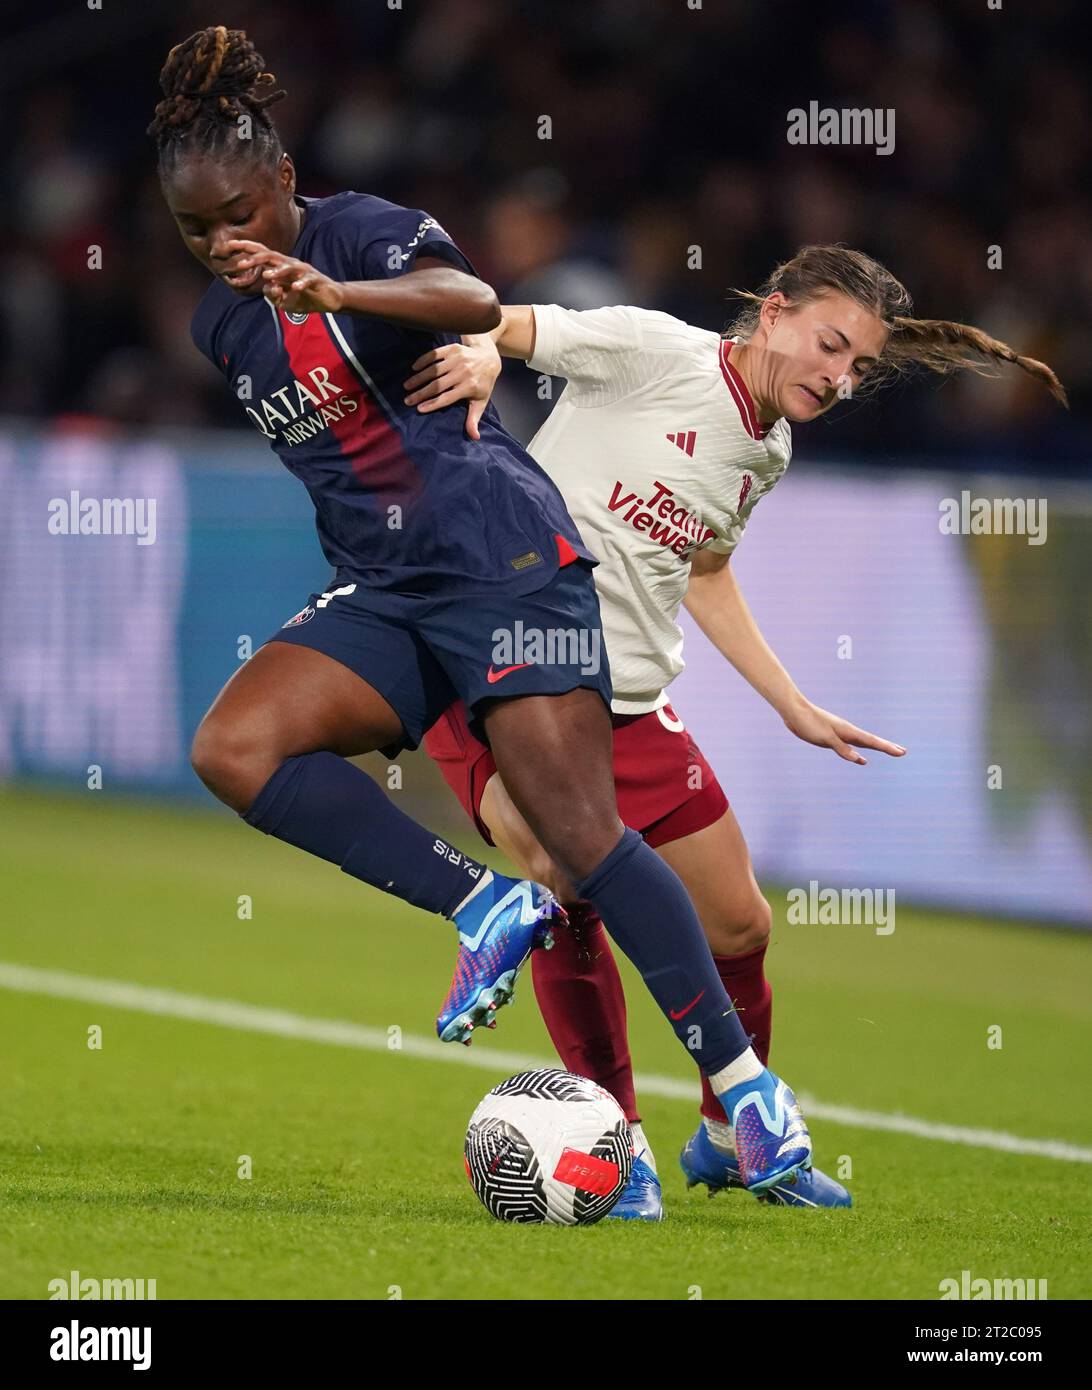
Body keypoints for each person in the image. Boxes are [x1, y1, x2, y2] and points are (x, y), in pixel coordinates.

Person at [148, 24, 815, 1196]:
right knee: (235, 746)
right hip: (389, 587)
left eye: (240, 214)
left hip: (503, 553)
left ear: (285, 185)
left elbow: (468, 296)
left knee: (585, 838)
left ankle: (750, 1096)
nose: (222, 242)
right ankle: (482, 904)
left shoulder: (357, 233)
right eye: (196, 227)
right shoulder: (221, 326)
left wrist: (348, 291)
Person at [406, 246, 1067, 1216]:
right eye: (830, 344)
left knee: (741, 923)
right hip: (500, 671)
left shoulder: (768, 448)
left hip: (627, 701)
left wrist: (789, 700)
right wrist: (488, 353)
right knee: (562, 878)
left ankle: (724, 1133)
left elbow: (705, 568)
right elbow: (499, 319)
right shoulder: (653, 351)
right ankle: (615, 1141)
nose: (839, 376)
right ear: (775, 311)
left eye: (857, 365)